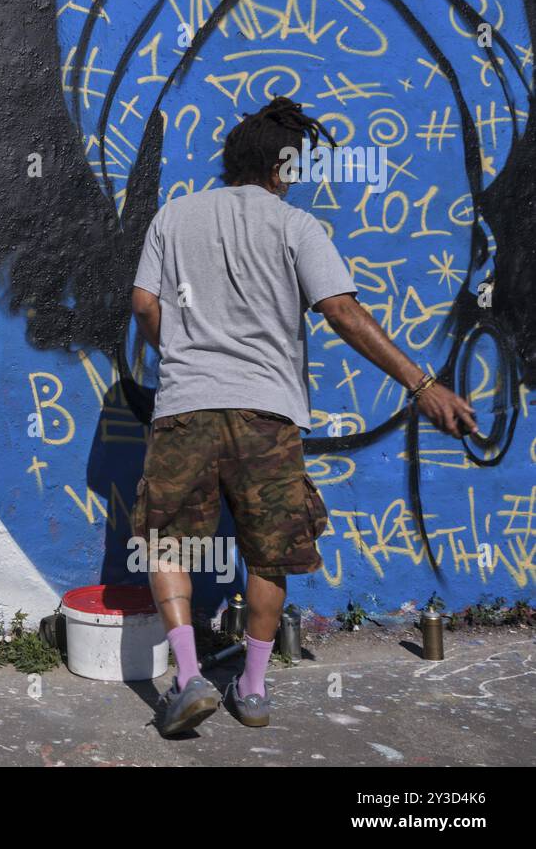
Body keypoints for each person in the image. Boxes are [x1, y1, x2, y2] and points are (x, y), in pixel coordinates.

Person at [129, 96, 477, 737]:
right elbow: (343, 313)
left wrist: (177, 354)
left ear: (231, 161)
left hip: (186, 405)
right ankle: (254, 691)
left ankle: (188, 675)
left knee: (167, 541)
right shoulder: (297, 227)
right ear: (282, 168)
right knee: (270, 554)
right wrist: (422, 384)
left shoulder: (172, 218)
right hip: (267, 413)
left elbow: (145, 304)